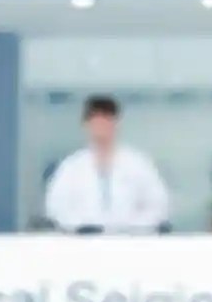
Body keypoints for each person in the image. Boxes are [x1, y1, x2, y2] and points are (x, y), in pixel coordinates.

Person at [44, 95, 170, 233]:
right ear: (85, 124)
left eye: (106, 119)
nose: (101, 126)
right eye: (96, 120)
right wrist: (81, 225)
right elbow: (56, 208)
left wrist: (133, 227)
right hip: (83, 241)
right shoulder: (71, 167)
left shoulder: (138, 164)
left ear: (117, 123)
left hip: (130, 240)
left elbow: (158, 205)